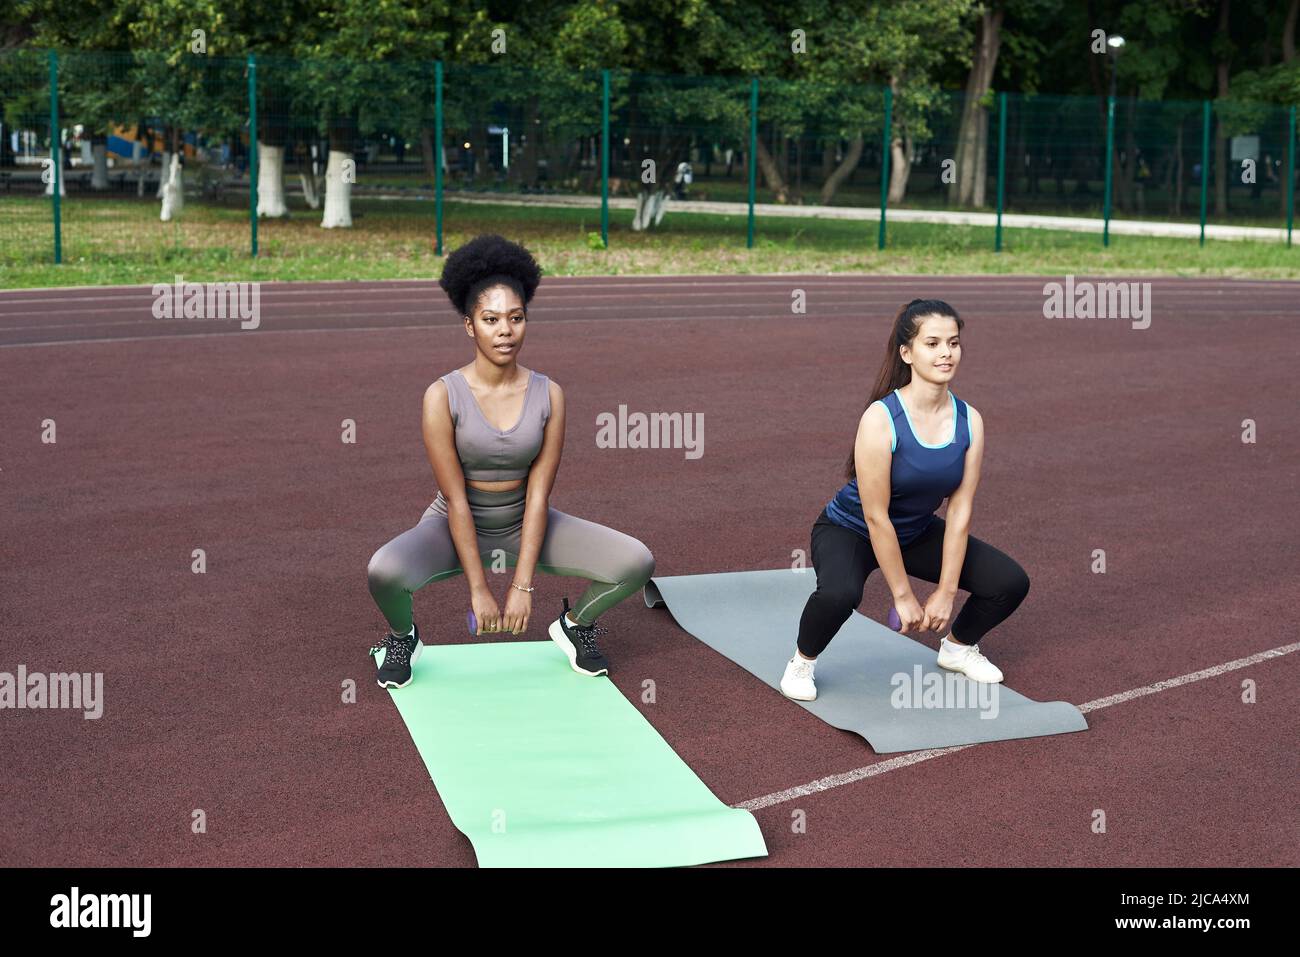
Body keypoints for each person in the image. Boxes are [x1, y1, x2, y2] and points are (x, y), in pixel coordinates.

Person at [366, 234, 656, 689]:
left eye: (516, 318)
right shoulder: (441, 395)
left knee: (635, 562)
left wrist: (522, 589)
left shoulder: (550, 394)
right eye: (491, 319)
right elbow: (456, 498)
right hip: (454, 522)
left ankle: (576, 625)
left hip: (526, 521)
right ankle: (403, 636)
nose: (505, 330)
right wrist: (479, 589)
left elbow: (540, 493)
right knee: (384, 572)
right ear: (469, 326)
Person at [781, 298, 1030, 701]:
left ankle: (958, 647)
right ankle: (801, 662)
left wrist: (946, 591)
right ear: (907, 352)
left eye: (953, 342)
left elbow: (960, 509)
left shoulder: (970, 420)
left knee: (1009, 582)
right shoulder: (881, 418)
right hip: (853, 530)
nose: (946, 353)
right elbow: (876, 516)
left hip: (914, 531)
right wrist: (903, 595)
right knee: (840, 594)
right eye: (932, 344)